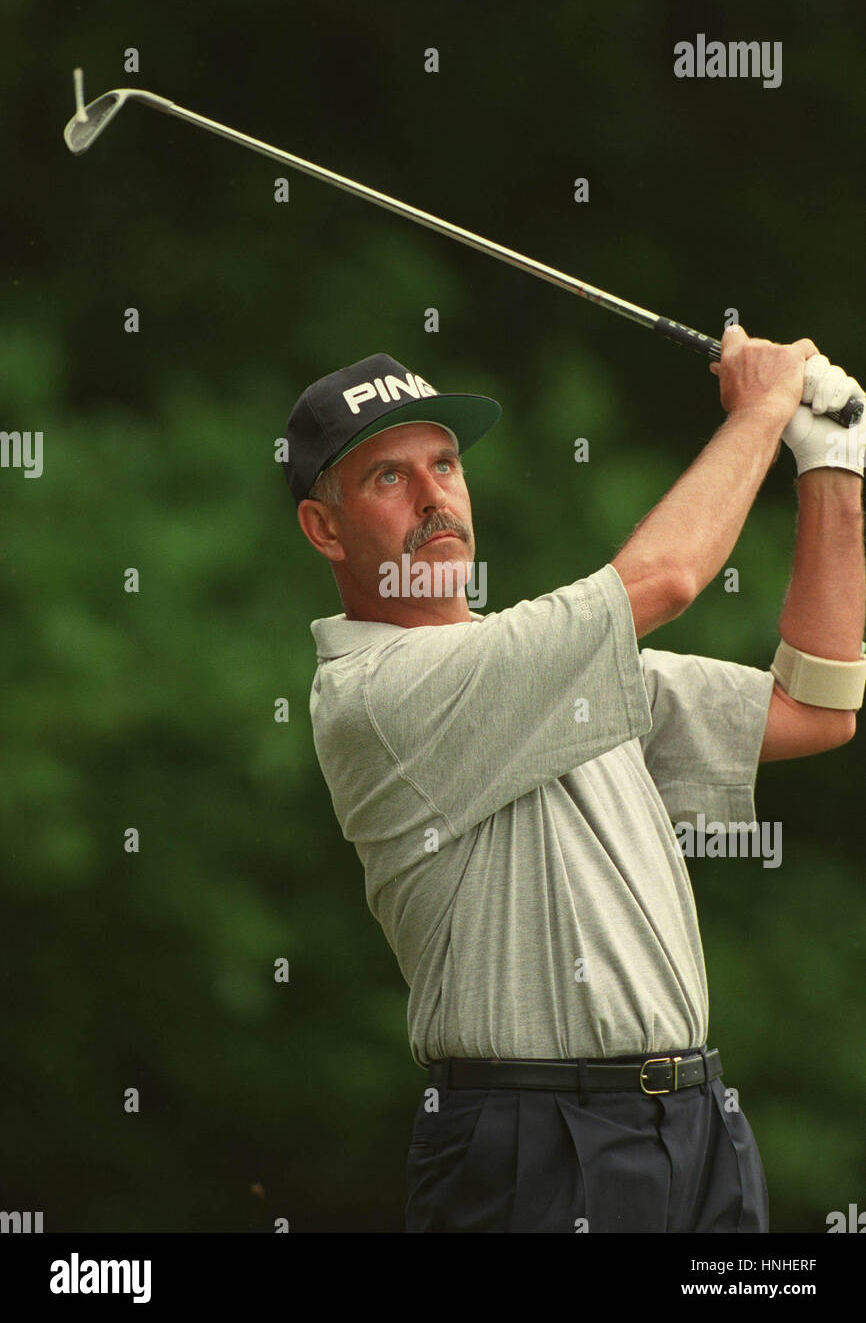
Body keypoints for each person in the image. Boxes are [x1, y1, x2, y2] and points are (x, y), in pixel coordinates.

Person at [282, 328, 866, 1233]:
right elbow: (666, 578)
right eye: (390, 478)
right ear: (324, 528)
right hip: (533, 1141)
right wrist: (759, 411)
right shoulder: (377, 694)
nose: (436, 497)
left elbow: (816, 704)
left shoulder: (558, 668)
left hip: (700, 1123)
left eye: (445, 464)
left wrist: (831, 461)